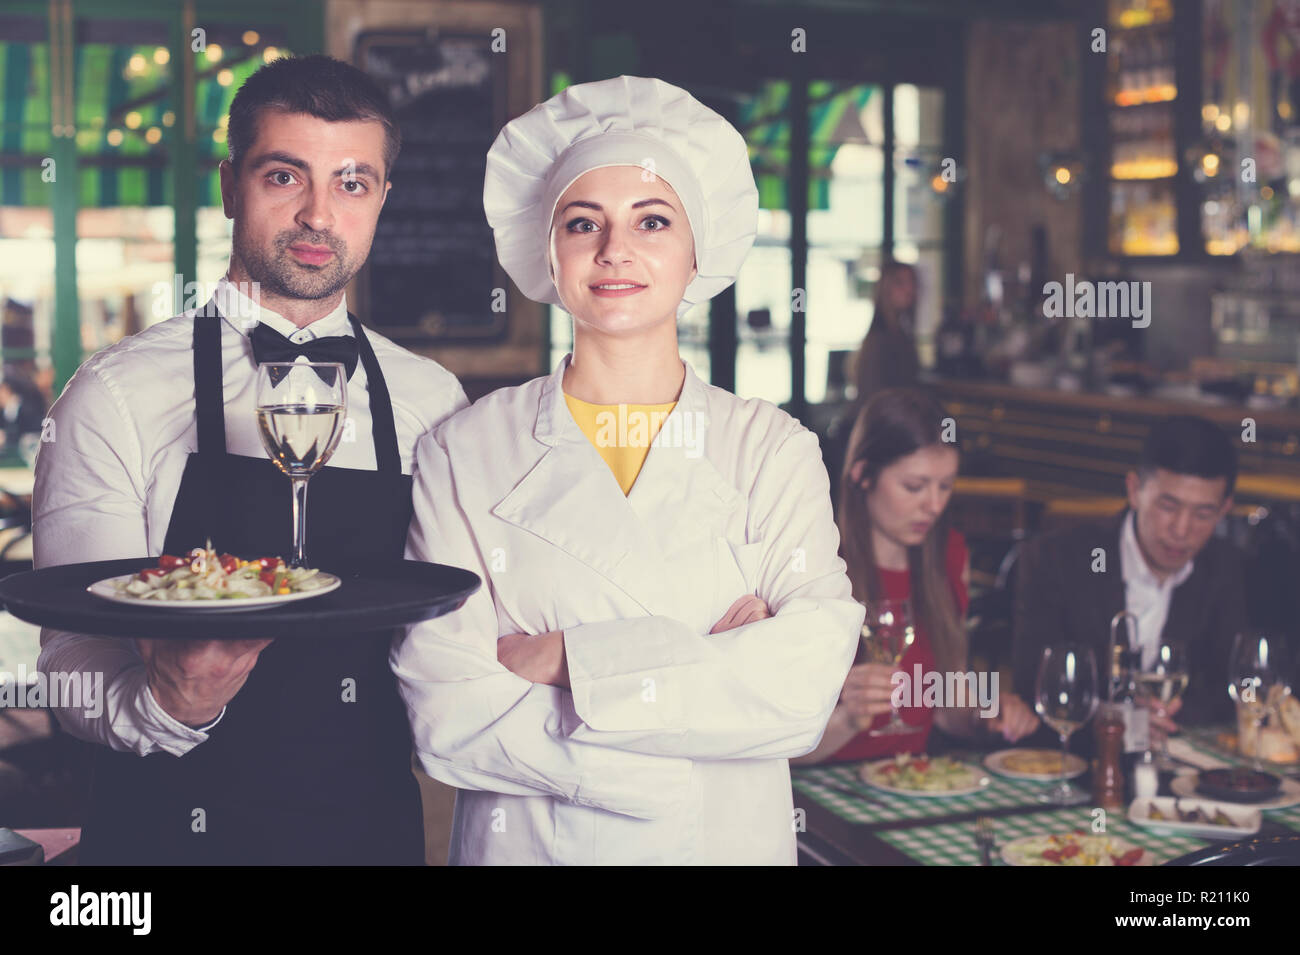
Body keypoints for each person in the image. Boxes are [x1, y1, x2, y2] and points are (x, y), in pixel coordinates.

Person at [393, 75, 864, 865]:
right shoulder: (464, 451)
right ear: (550, 251)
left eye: (652, 220)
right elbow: (446, 715)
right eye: (585, 223)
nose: (616, 250)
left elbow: (802, 691)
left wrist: (566, 659)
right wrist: (695, 688)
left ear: (695, 250)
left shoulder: (771, 449)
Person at [33, 55, 467, 864]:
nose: (317, 214)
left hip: (367, 833)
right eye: (284, 175)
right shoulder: (113, 394)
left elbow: (465, 625)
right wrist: (172, 702)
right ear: (231, 186)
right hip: (164, 838)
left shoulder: (431, 399)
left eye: (352, 183)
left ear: (381, 201)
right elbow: (67, 663)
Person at [794, 388, 1039, 765]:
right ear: (862, 475)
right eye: (914, 486)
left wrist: (985, 712)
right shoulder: (813, 560)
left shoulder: (949, 554)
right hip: (820, 790)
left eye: (945, 486)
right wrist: (847, 718)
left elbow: (942, 702)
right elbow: (775, 750)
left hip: (912, 780)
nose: (935, 505)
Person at [1013, 414, 1246, 736]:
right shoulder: (1059, 560)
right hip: (1079, 760)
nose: (1182, 530)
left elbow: (1230, 688)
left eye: (1203, 514)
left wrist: (1168, 715)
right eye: (1168, 506)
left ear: (1224, 509)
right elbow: (1032, 684)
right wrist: (1112, 716)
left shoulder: (1228, 569)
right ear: (1135, 490)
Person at [853, 258, 921, 404]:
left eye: (912, 282)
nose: (910, 289)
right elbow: (874, 396)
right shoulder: (880, 337)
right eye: (900, 283)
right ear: (886, 289)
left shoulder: (900, 332)